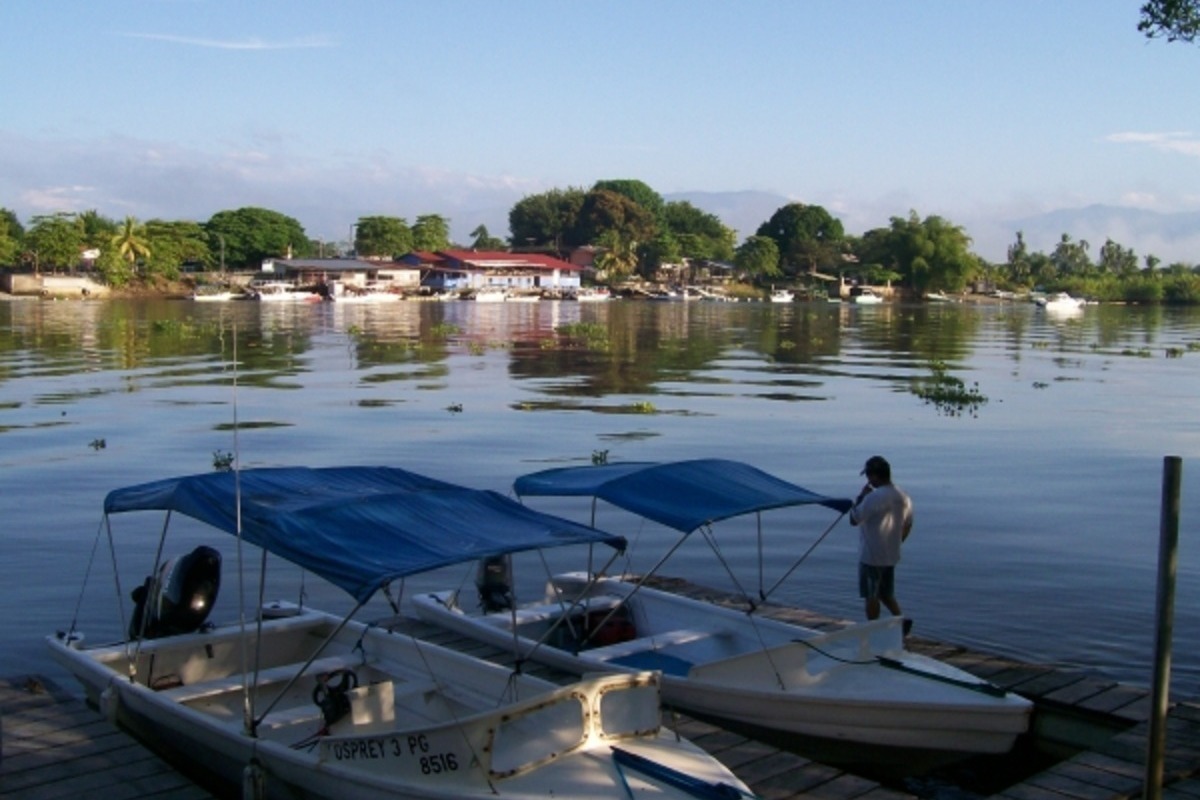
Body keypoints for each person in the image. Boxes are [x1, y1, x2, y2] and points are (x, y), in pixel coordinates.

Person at [848, 455, 914, 632]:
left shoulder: (874, 498)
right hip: (891, 554)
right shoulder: (903, 496)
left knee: (871, 595)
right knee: (886, 593)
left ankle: (873, 629)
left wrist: (861, 497)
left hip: (871, 556)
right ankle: (900, 620)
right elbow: (908, 524)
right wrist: (897, 543)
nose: (868, 480)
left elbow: (854, 520)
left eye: (869, 475)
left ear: (875, 476)